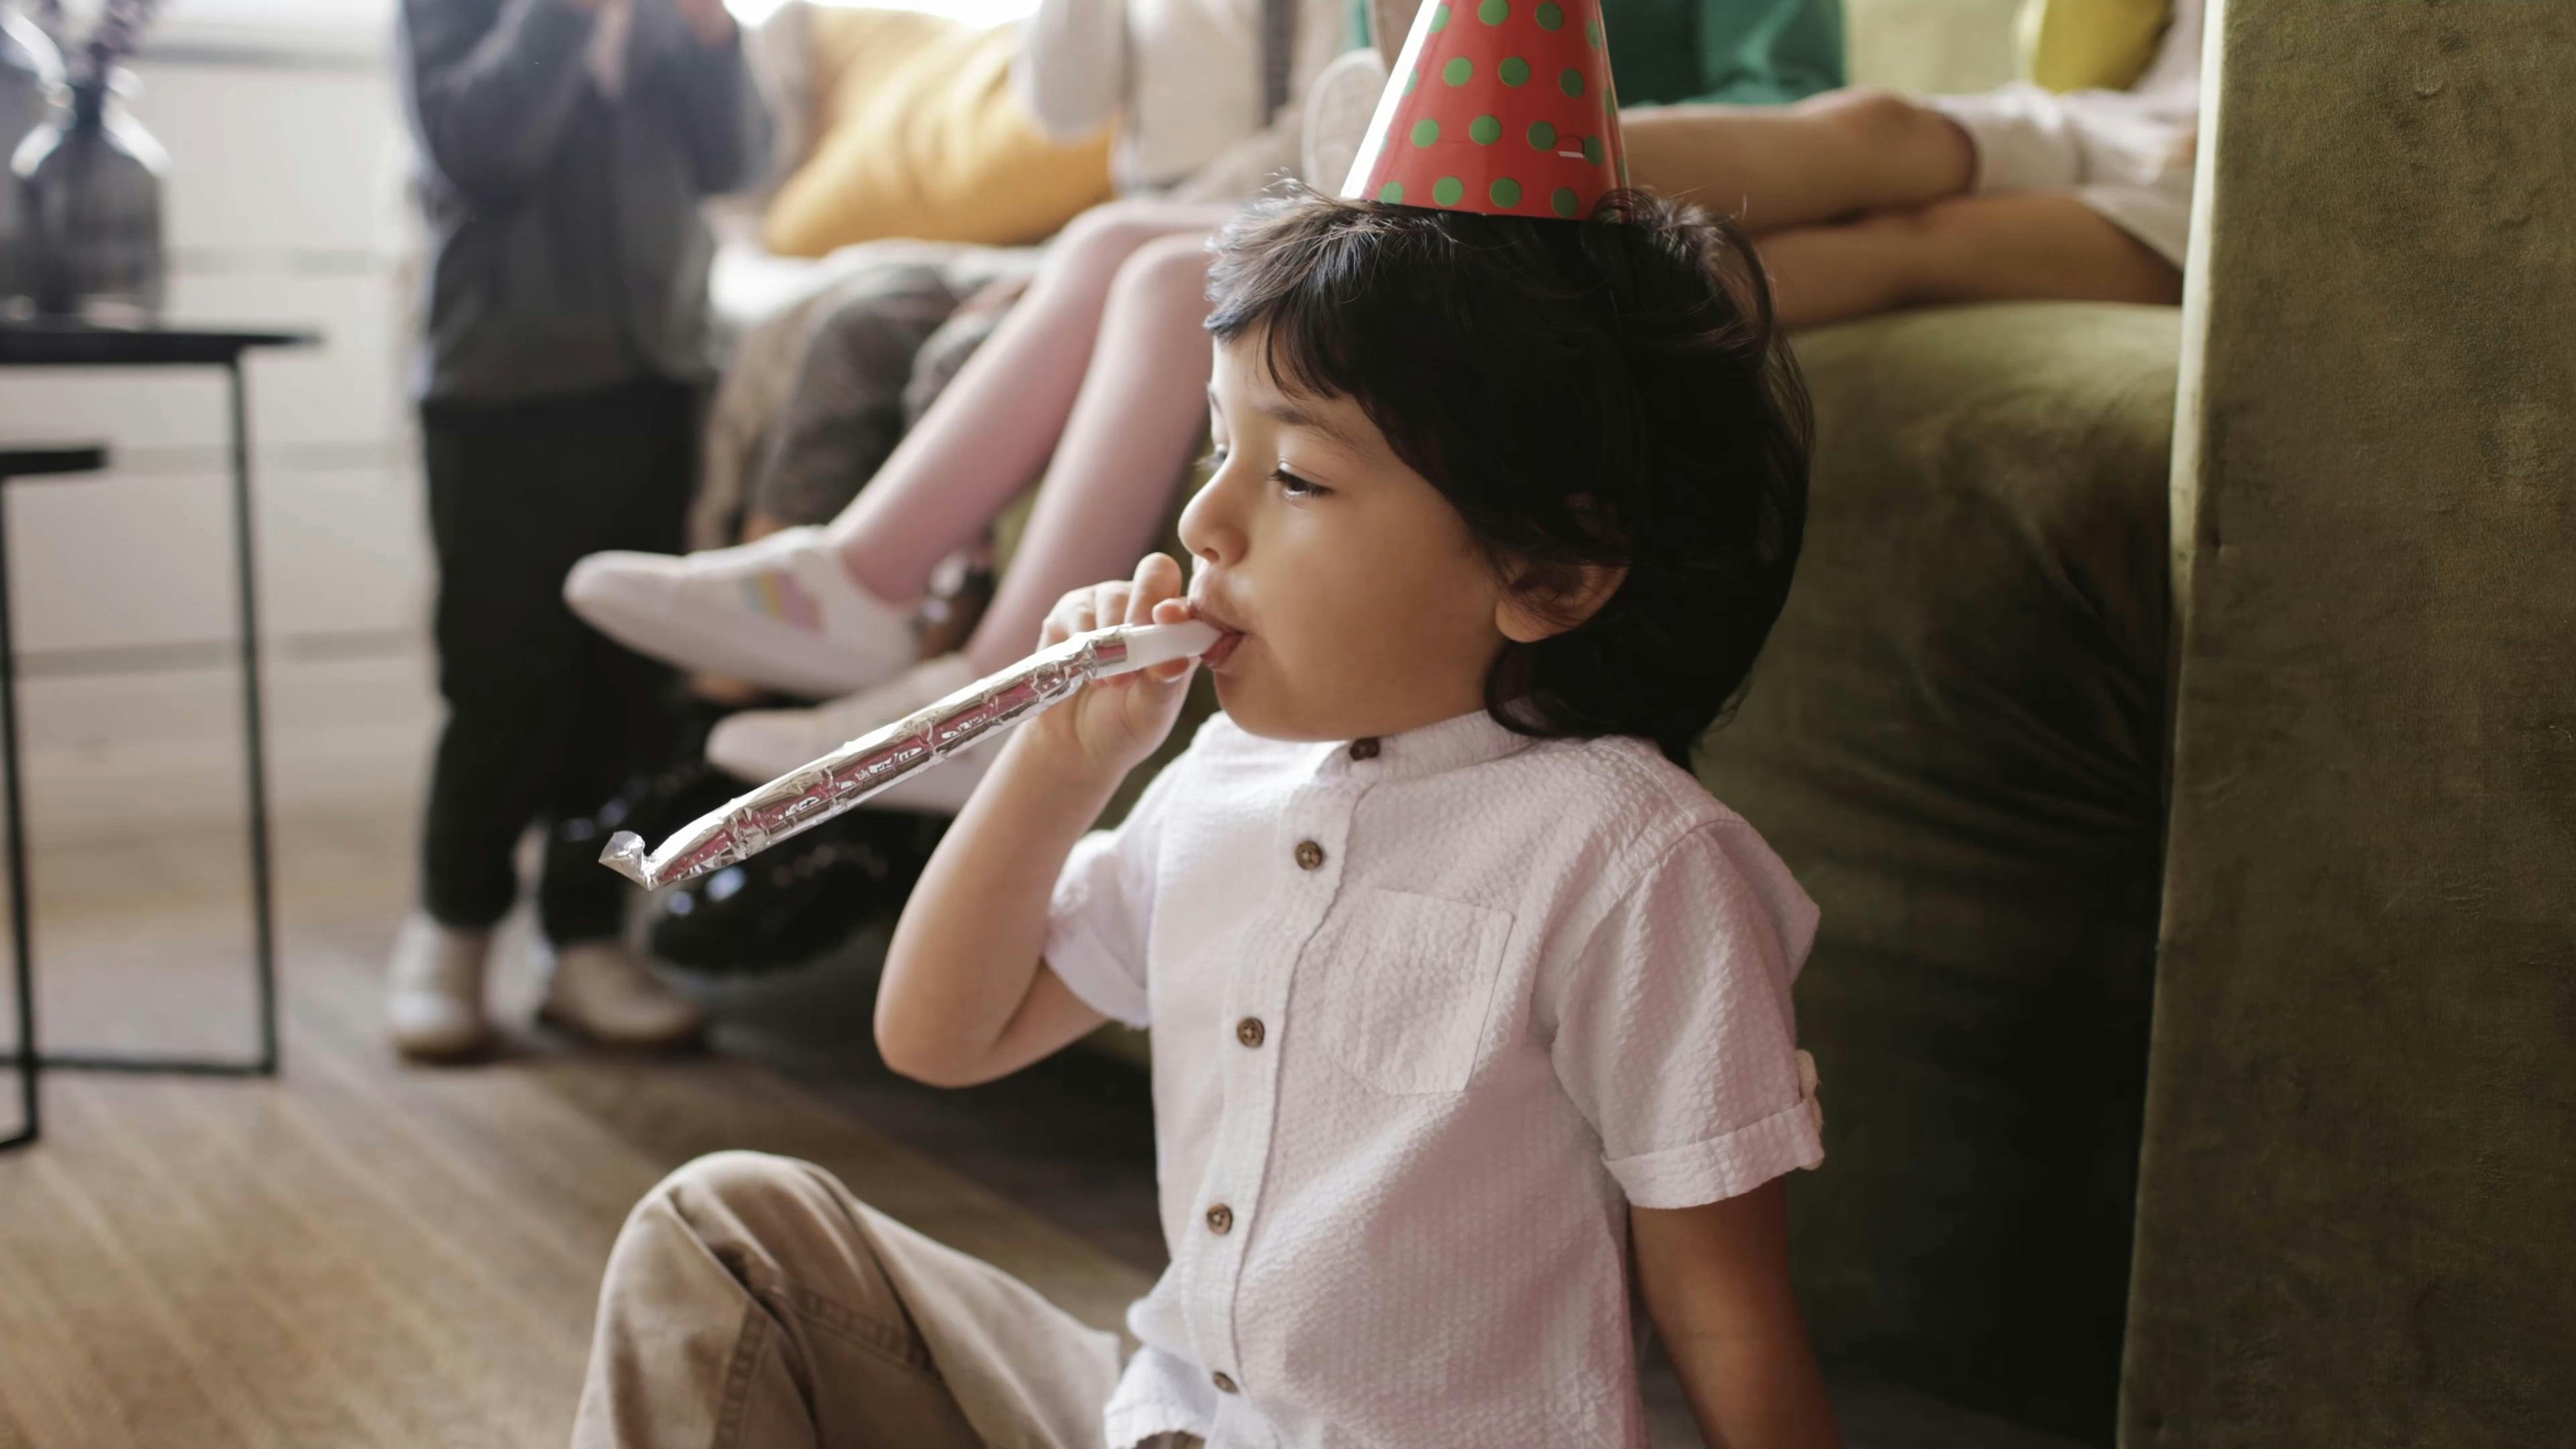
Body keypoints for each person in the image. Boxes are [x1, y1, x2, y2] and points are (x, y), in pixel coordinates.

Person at [569, 14, 1837, 1430]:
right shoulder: (1225, 778)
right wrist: (1053, 773)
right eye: (1216, 447)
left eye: (1294, 478)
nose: (1203, 520)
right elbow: (940, 1036)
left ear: (1544, 571)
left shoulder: (1636, 864)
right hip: (1159, 1414)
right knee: (728, 1237)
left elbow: (1730, 1318)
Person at [559, 0, 1847, 800]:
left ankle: (985, 671)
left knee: (1165, 264)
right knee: (1122, 242)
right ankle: (864, 579)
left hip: (1590, 247)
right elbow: (1369, 127)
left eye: (1279, 475)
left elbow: (1781, 107)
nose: (1200, 532)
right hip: (1410, 235)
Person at [385, 0, 767, 1061]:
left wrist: (712, 37)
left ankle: (589, 935)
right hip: (502, 381)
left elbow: (735, 158)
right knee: (502, 671)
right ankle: (452, 926)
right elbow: (482, 148)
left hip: (655, 375)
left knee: (629, 684)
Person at [1619, 0, 2204, 326]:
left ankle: (1568, 326)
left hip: (2220, 183)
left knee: (1912, 238)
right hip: (2123, 113)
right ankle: (1534, 189)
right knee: (1875, 125)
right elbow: (2076, 62)